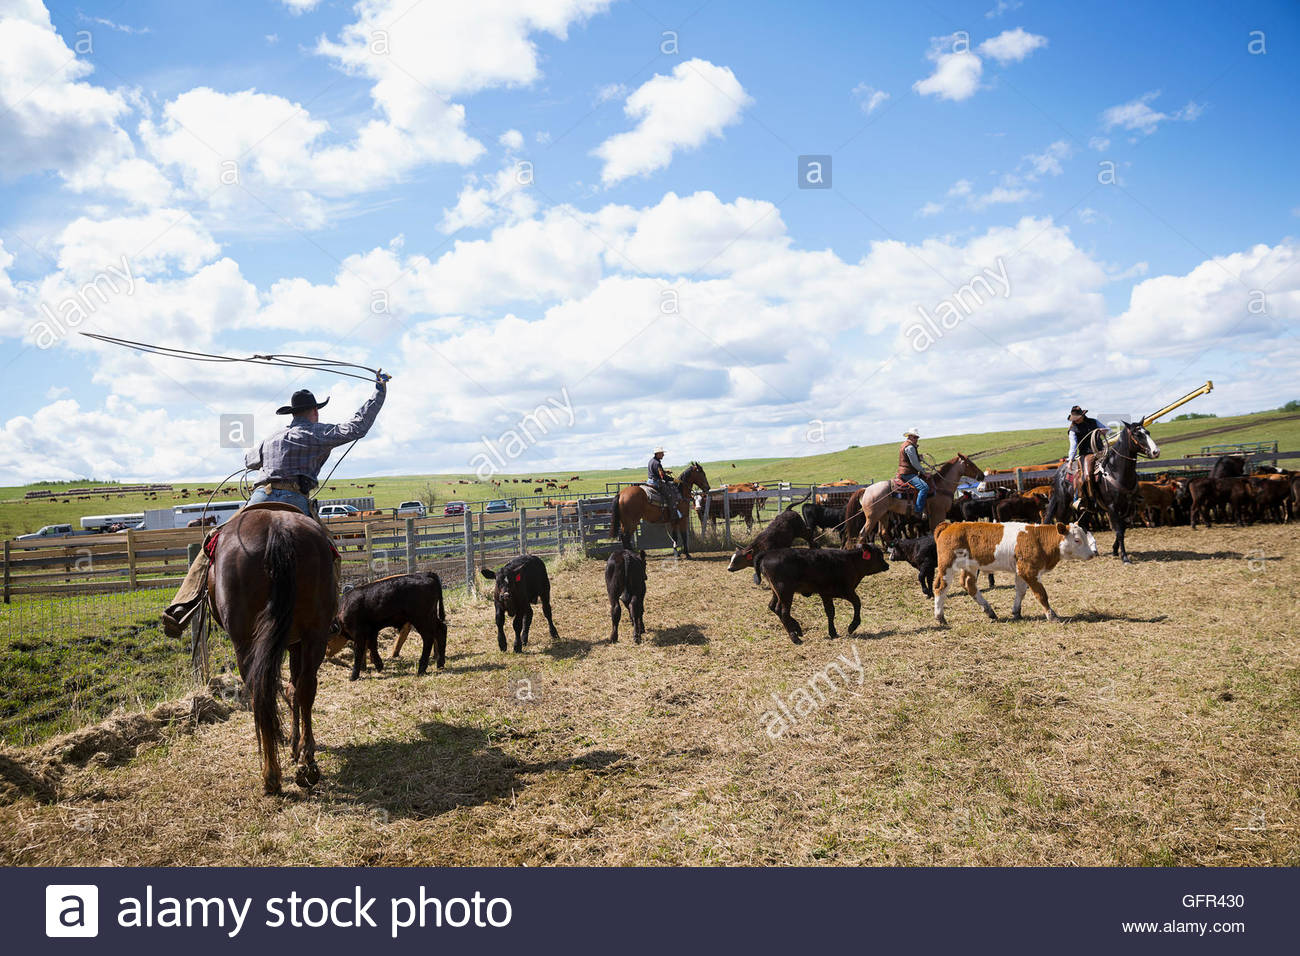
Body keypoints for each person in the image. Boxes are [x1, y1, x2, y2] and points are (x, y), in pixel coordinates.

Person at [160, 372, 389, 637]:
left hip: (259, 497)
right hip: (295, 498)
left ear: (292, 414)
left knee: (212, 542)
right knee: (329, 552)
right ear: (314, 411)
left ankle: (181, 606)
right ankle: (330, 614)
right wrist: (379, 391)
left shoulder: (271, 438)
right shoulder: (319, 432)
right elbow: (358, 426)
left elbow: (248, 460)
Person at [1066, 405, 1109, 509]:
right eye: (1074, 418)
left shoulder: (1094, 422)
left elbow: (1108, 429)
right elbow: (1073, 446)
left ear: (1082, 416)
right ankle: (1090, 498)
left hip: (1101, 451)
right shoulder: (1073, 430)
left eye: (1077, 417)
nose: (1076, 420)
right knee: (1087, 476)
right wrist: (1071, 460)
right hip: (1086, 454)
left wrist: (1103, 430)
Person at [896, 428, 930, 516]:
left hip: (905, 471)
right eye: (915, 437)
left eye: (917, 438)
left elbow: (911, 459)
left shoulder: (906, 445)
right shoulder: (910, 447)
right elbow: (914, 463)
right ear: (910, 436)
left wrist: (919, 457)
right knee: (924, 487)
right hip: (908, 473)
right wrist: (924, 472)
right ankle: (918, 510)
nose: (916, 439)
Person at [647, 446, 682, 520]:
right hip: (655, 482)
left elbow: (657, 472)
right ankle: (673, 515)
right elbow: (663, 477)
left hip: (650, 481)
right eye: (662, 453)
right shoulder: (657, 463)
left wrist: (665, 471)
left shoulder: (651, 461)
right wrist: (673, 480)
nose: (663, 455)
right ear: (657, 454)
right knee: (670, 495)